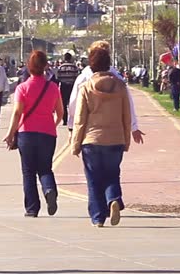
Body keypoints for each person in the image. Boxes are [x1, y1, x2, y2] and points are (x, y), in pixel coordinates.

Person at [71, 47, 132, 227]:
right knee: (112, 174)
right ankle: (113, 199)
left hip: (92, 140)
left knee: (93, 179)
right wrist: (126, 140)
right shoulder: (121, 86)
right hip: (115, 138)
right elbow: (126, 116)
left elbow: (80, 119)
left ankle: (98, 217)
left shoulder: (86, 87)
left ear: (91, 65)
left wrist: (76, 143)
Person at [2, 50, 64, 217]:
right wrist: (52, 125)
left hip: (27, 134)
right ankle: (49, 189)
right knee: (45, 168)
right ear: (45, 66)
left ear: (29, 67)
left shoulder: (22, 88)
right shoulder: (53, 88)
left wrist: (10, 133)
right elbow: (60, 113)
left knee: (28, 171)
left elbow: (17, 113)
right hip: (48, 134)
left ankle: (32, 208)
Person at [67, 41, 145, 147]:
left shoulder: (84, 79)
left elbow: (74, 106)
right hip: (114, 137)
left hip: (90, 135)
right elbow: (128, 106)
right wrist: (133, 128)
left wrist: (72, 129)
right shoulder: (118, 80)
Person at [55, 53, 80, 127]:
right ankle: (73, 119)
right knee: (73, 102)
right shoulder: (74, 67)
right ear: (70, 58)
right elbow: (76, 77)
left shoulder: (60, 67)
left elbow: (58, 78)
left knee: (63, 104)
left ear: (64, 58)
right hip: (72, 86)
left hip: (63, 86)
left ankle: (65, 120)